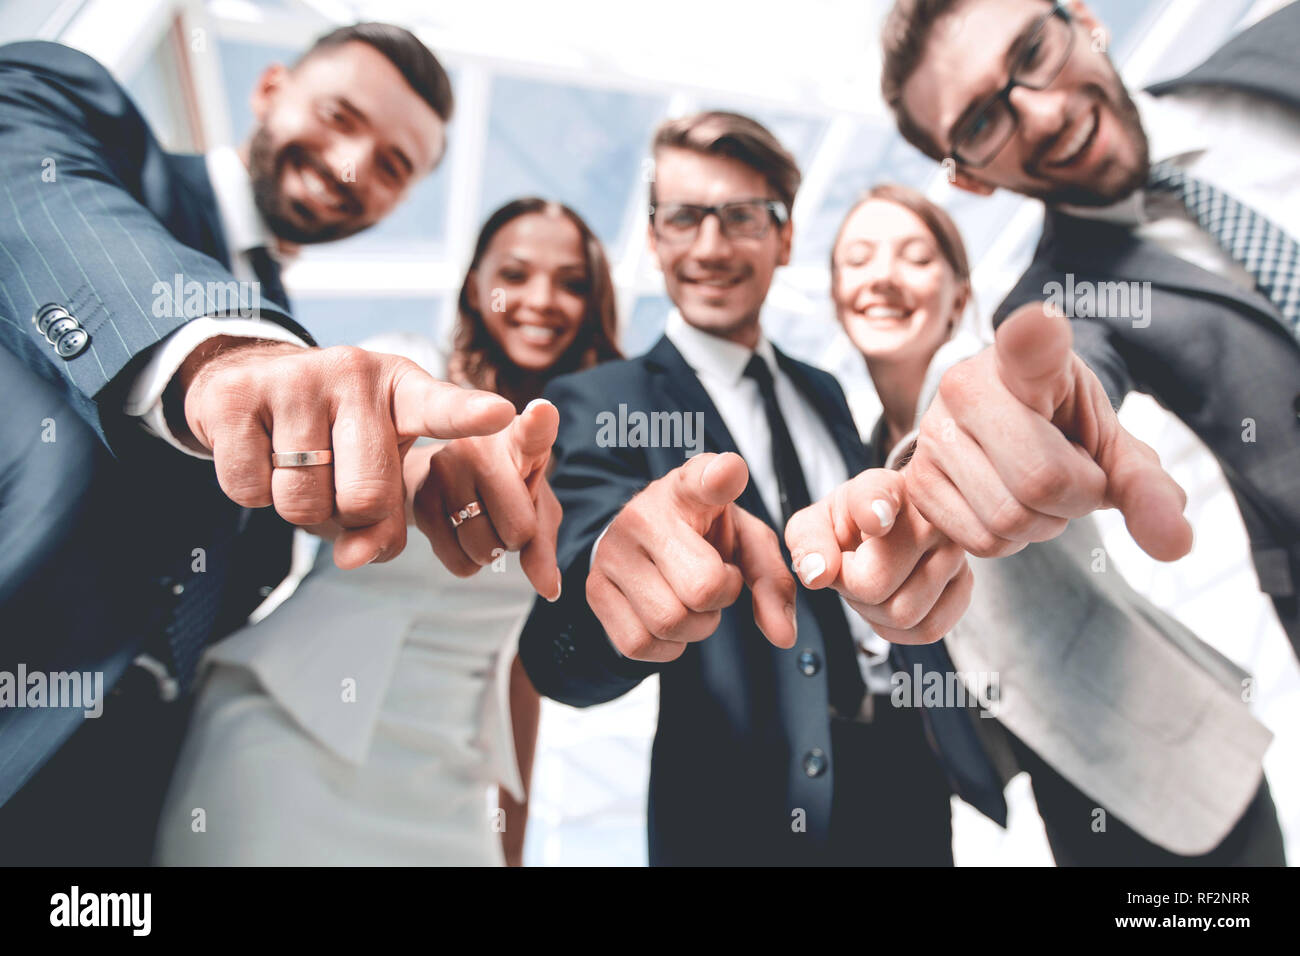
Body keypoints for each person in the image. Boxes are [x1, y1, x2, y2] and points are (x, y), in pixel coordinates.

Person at [519, 110, 1185, 865]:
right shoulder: (604, 401)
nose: (709, 246)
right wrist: (613, 580)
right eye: (683, 218)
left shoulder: (828, 394)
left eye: (741, 217)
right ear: (654, 236)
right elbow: (559, 641)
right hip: (739, 823)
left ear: (785, 237)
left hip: (910, 797)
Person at [0, 25, 558, 864]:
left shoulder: (303, 348)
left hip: (130, 789)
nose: (350, 165)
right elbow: (31, 189)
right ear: (268, 90)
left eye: (392, 166)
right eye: (338, 116)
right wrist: (220, 355)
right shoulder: (82, 123)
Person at [155, 198, 619, 866]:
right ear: (473, 284)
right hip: (294, 732)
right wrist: (434, 473)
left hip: (452, 775)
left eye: (572, 282)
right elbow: (373, 461)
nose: (541, 299)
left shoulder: (583, 465)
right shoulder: (405, 368)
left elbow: (523, 668)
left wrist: (509, 848)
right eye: (513, 275)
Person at [830, 182, 1284, 865]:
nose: (884, 275)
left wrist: (1039, 404)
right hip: (1066, 784)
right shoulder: (863, 459)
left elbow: (986, 415)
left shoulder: (973, 385)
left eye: (916, 256)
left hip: (1169, 761)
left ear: (960, 297)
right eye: (858, 258)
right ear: (838, 297)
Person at [879, 0, 1300, 658]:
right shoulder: (1056, 303)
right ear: (969, 178)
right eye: (985, 121)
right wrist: (940, 469)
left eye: (1031, 53)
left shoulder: (1287, 39)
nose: (1044, 116)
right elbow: (1033, 393)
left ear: (1082, 16)